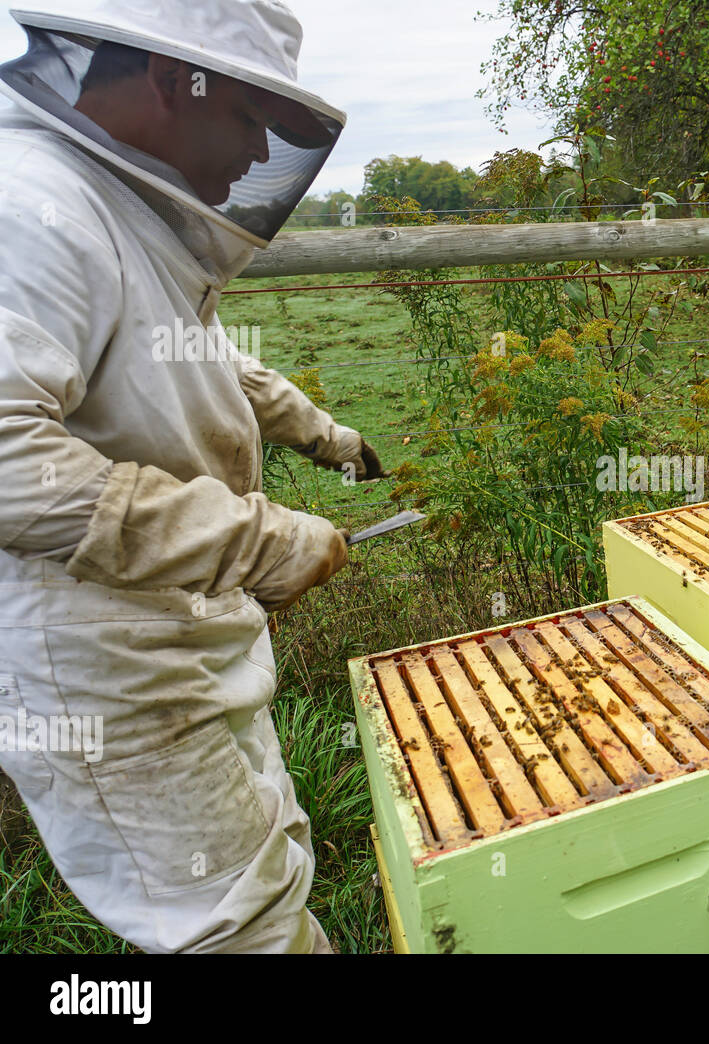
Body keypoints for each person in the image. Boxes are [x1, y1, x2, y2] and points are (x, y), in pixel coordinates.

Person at [0, 0, 383, 952]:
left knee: (268, 864)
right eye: (253, 119)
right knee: (234, 929)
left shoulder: (119, 205)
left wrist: (326, 437)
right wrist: (261, 541)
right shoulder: (30, 205)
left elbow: (203, 363)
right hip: (106, 676)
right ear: (178, 81)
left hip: (182, 637)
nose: (260, 158)